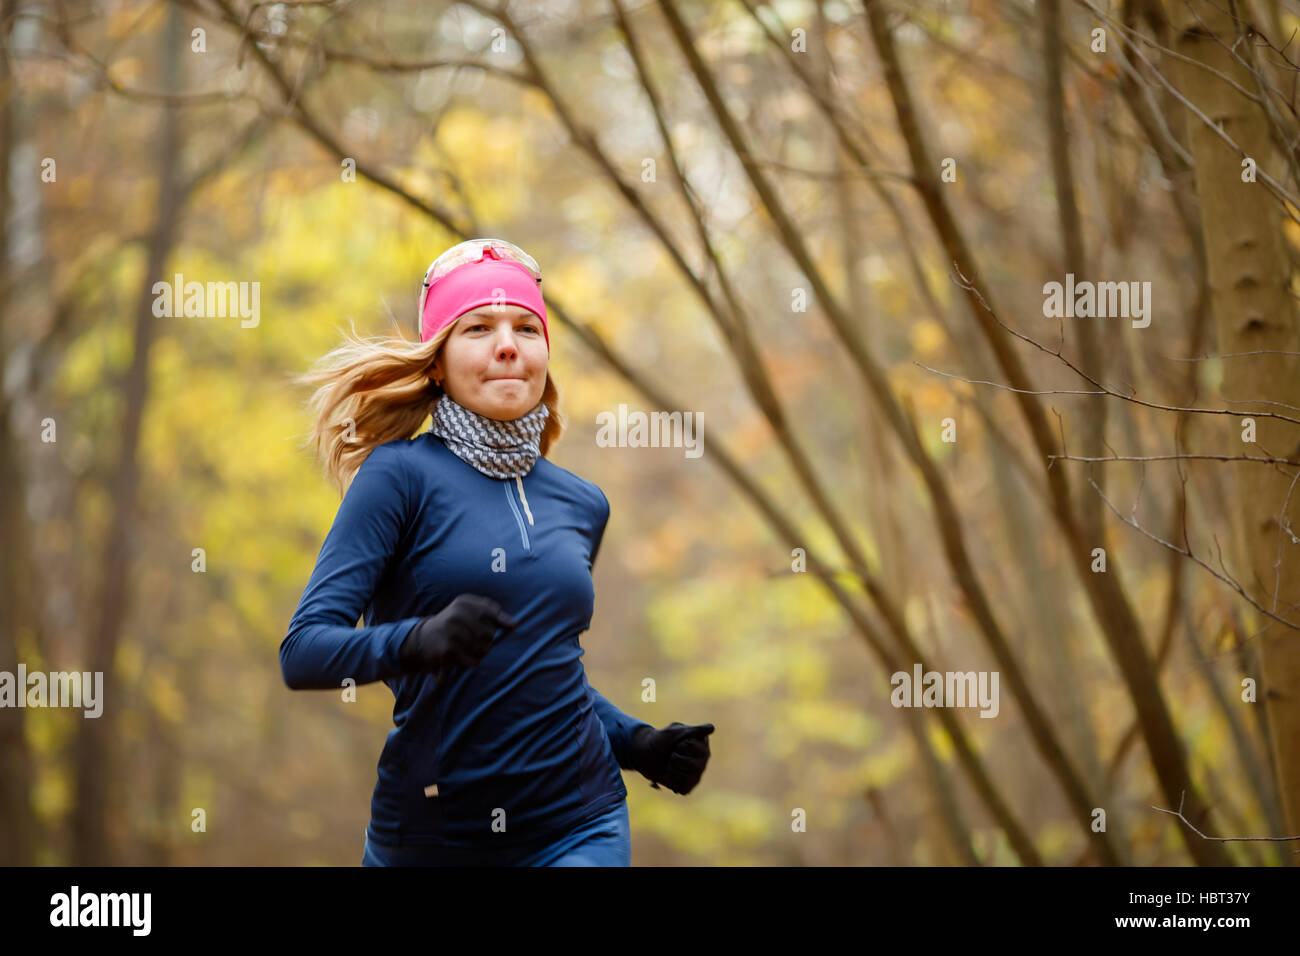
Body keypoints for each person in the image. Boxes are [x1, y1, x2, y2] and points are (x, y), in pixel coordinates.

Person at [282, 238, 715, 866]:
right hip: (430, 838)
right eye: (478, 327)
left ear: (544, 354)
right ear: (437, 363)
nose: (507, 344)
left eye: (526, 328)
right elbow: (303, 652)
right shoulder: (398, 478)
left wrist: (637, 742)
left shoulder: (580, 503)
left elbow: (541, 669)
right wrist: (417, 640)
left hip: (578, 826)